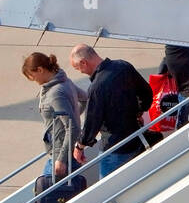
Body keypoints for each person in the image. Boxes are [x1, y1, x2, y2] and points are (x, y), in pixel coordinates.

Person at [70, 44, 153, 178]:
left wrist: (80, 145)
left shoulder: (96, 87)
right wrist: (139, 112)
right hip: (136, 138)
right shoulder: (123, 66)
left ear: (83, 62)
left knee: (107, 191)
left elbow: (92, 121)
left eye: (78, 68)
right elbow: (146, 92)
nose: (80, 72)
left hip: (114, 148)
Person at [23, 51, 85, 179]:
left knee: (48, 196)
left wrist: (61, 159)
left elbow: (72, 127)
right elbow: (84, 98)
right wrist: (73, 114)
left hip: (61, 156)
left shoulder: (55, 93)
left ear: (40, 70)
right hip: (65, 152)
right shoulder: (65, 82)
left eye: (32, 76)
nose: (34, 81)